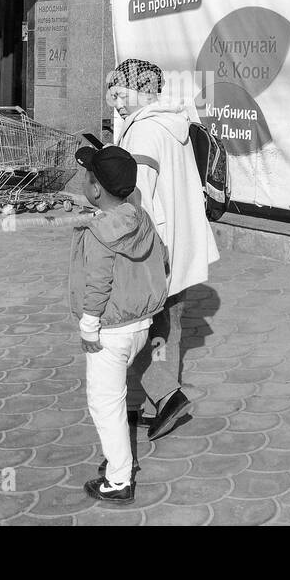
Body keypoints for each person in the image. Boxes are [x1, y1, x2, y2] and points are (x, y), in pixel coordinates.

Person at [108, 58, 219, 442]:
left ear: (141, 92)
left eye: (121, 94)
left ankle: (166, 396)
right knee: (164, 329)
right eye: (113, 95)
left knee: (129, 329)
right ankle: (144, 402)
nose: (116, 103)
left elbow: (138, 200)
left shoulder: (143, 133)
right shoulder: (175, 123)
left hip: (154, 250)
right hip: (181, 246)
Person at [69, 144, 170, 505]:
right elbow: (164, 258)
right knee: (116, 397)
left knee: (105, 403)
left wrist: (88, 327)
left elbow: (98, 284)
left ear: (96, 189)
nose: (85, 182)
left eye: (87, 178)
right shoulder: (141, 219)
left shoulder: (99, 232)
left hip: (109, 332)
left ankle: (118, 480)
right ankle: (119, 459)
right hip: (140, 325)